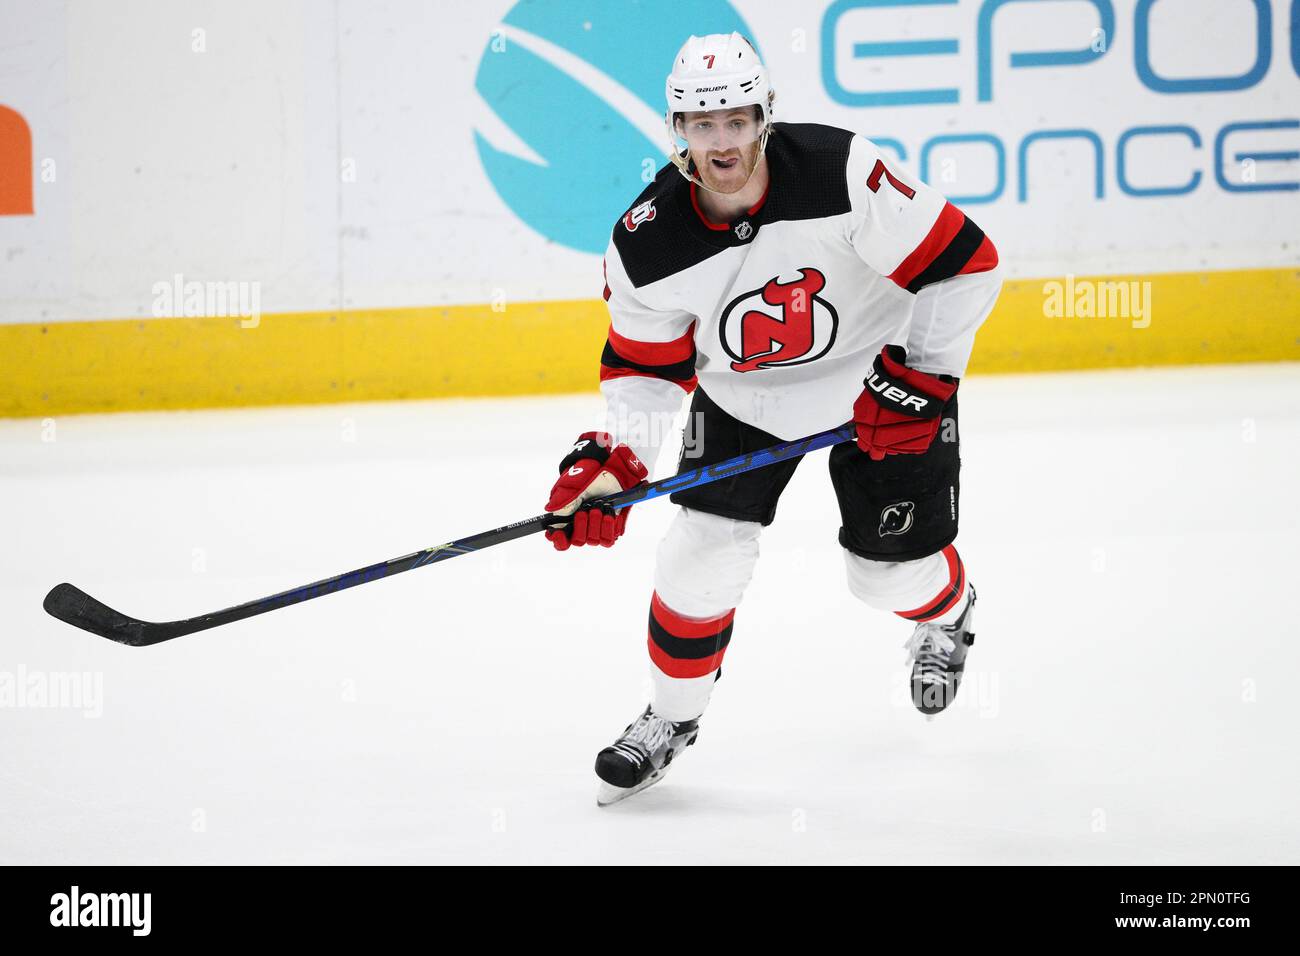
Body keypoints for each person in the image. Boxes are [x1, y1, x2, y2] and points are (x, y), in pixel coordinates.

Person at [542, 33, 1003, 805]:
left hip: (879, 389)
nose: (722, 142)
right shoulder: (645, 241)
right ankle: (669, 719)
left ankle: (949, 615)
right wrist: (609, 464)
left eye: (737, 119)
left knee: (885, 578)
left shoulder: (839, 170)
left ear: (765, 116)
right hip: (743, 400)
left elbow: (967, 262)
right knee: (698, 560)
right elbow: (646, 372)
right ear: (676, 129)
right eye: (702, 123)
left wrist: (921, 379)